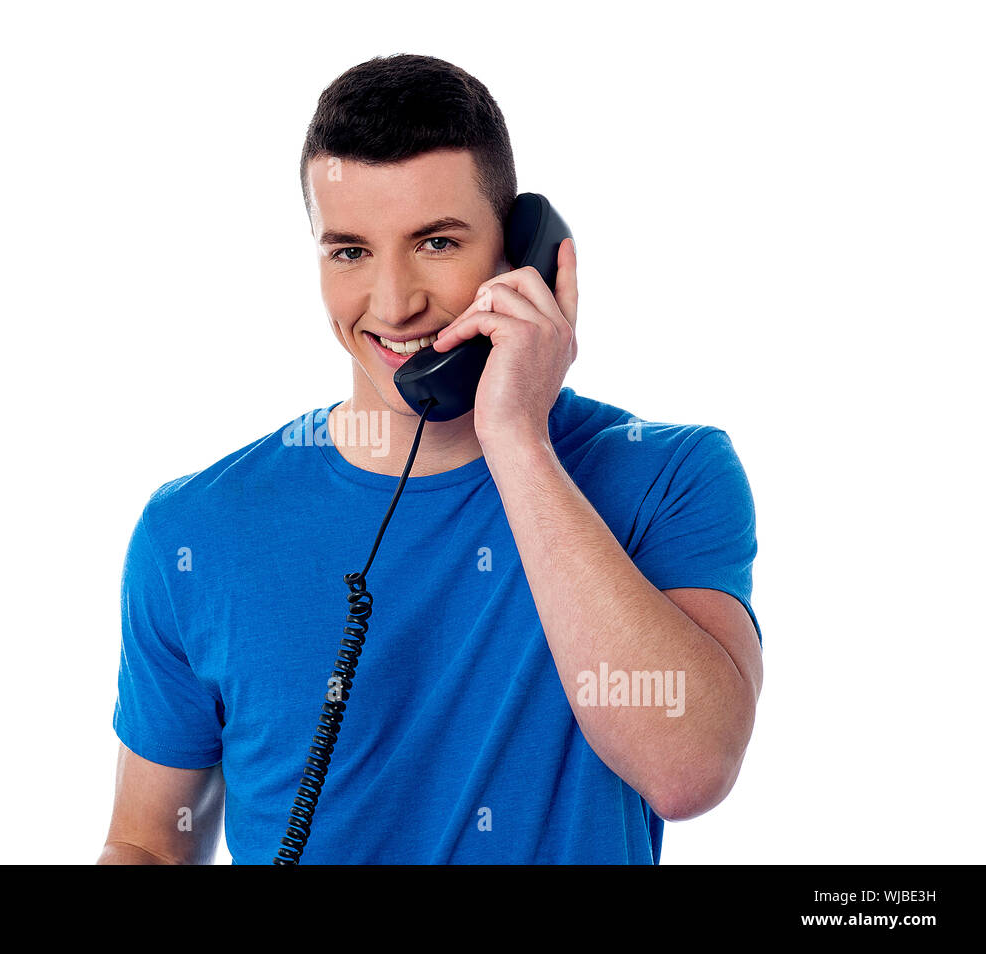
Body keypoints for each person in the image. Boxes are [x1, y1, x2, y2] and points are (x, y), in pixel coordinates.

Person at [98, 53, 763, 865]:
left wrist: (516, 436)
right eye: (349, 252)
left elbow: (687, 768)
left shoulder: (667, 476)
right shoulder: (193, 530)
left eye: (437, 242)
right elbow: (151, 844)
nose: (393, 302)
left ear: (525, 254)